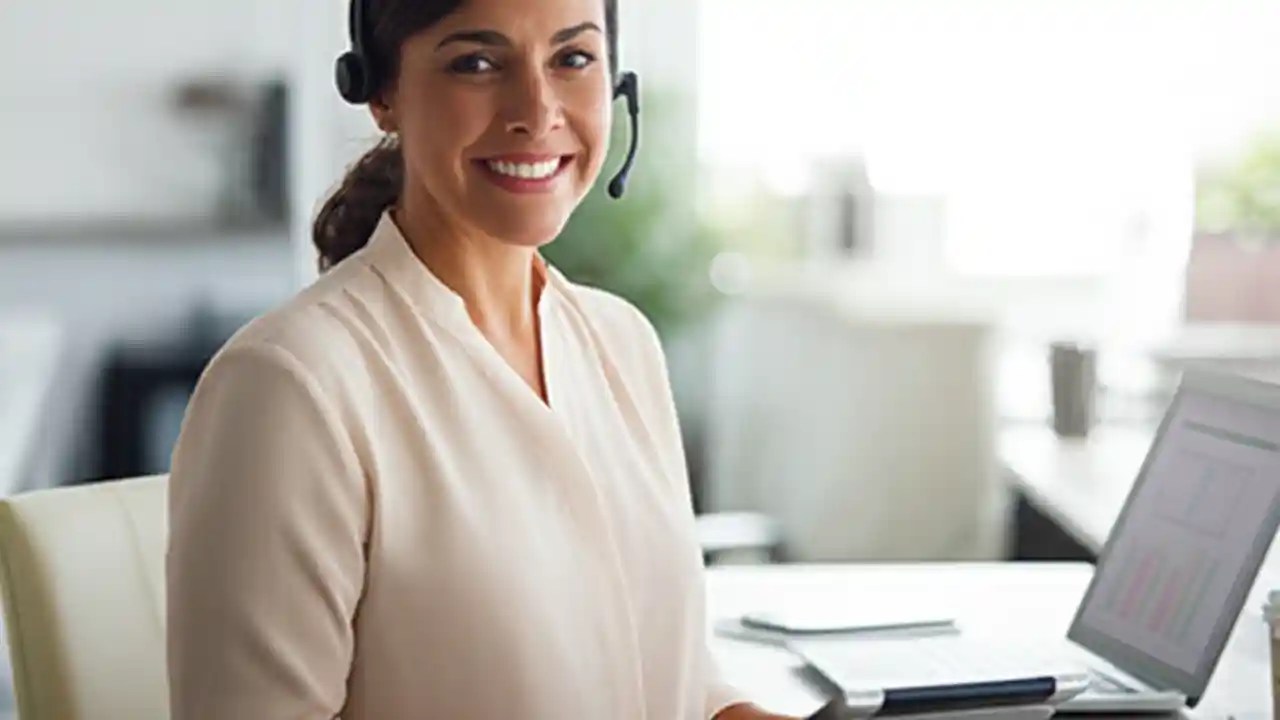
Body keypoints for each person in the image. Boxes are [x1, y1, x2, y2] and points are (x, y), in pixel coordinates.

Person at [165, 0, 799, 717]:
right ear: (382, 92)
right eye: (476, 63)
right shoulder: (290, 386)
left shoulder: (622, 342)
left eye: (573, 59)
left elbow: (672, 680)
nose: (537, 110)